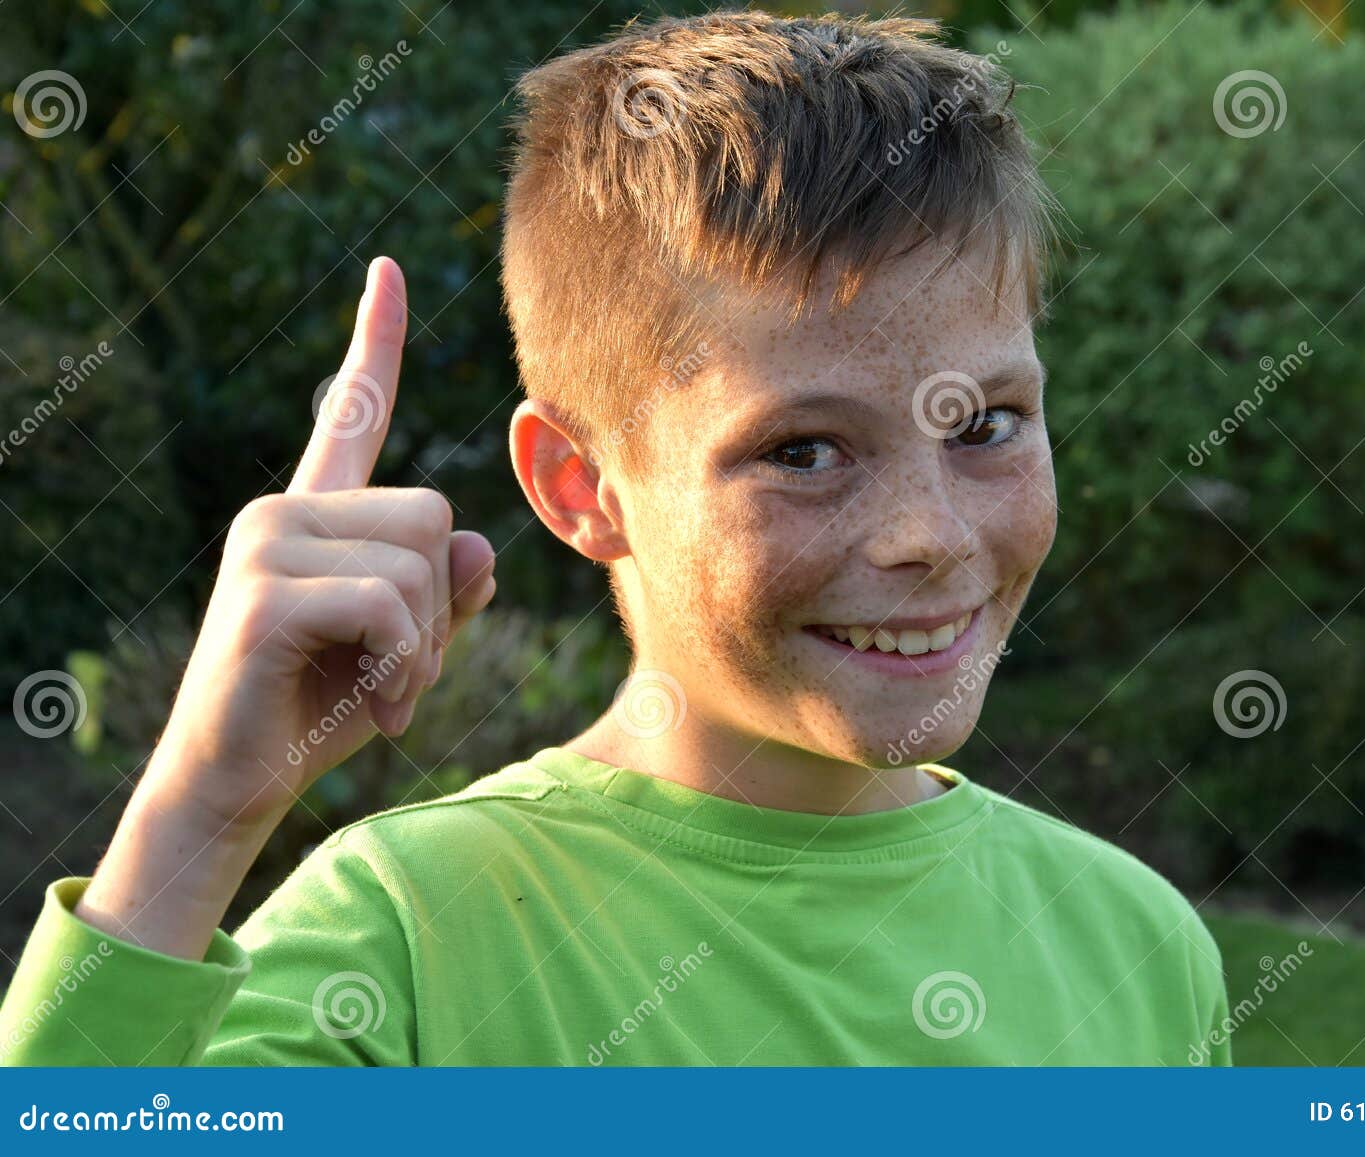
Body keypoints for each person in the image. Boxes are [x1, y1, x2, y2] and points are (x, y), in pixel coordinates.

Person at [0, 10, 1230, 1066]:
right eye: (802, 450)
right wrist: (203, 813)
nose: (930, 534)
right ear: (580, 485)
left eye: (988, 424)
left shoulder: (1137, 944)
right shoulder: (407, 942)